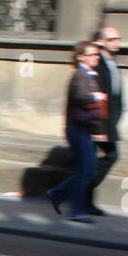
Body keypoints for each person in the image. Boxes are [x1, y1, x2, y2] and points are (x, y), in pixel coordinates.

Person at [47, 41, 108, 225]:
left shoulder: (89, 75)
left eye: (97, 55)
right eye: (92, 55)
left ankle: (58, 194)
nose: (96, 57)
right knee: (86, 170)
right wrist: (96, 97)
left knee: (87, 170)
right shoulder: (79, 76)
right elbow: (78, 97)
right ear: (81, 56)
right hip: (77, 129)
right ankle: (76, 210)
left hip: (85, 128)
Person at [88, 26, 124, 215]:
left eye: (118, 39)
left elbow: (115, 95)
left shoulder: (111, 61)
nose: (116, 42)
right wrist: (100, 126)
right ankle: (76, 195)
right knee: (109, 157)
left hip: (109, 121)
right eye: (112, 39)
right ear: (101, 42)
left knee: (93, 163)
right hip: (99, 123)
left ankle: (70, 195)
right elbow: (98, 97)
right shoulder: (98, 63)